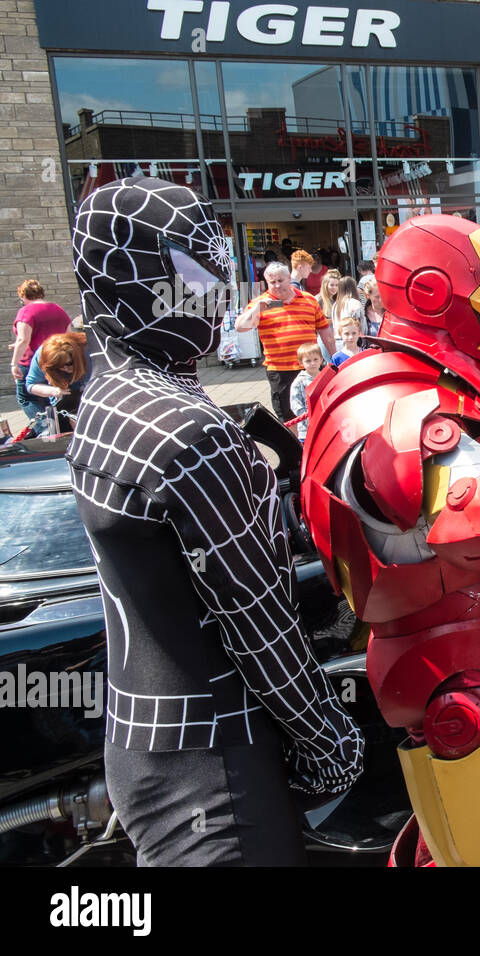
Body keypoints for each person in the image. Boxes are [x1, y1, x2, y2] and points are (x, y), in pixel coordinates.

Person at [66, 176, 362, 866]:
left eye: (216, 263)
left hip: (144, 741)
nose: (211, 287)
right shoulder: (187, 428)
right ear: (129, 271)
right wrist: (332, 746)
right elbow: (258, 621)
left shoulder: (107, 396)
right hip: (216, 764)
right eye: (190, 266)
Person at [235, 262, 337, 424]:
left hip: (310, 367)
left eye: (280, 280)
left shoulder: (308, 299)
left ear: (289, 278)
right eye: (272, 282)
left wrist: (335, 358)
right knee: (288, 414)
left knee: (318, 409)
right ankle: (296, 447)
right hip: (280, 370)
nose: (276, 285)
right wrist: (257, 310)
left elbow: (325, 332)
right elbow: (240, 327)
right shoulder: (261, 303)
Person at [10, 279, 71, 425]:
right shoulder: (58, 309)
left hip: (31, 362)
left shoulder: (26, 312)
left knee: (26, 398)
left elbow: (23, 340)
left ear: (24, 295)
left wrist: (14, 364)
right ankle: (59, 428)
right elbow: (68, 335)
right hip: (56, 361)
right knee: (50, 397)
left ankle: (44, 429)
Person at [26, 330, 91, 435]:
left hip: (89, 400)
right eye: (58, 366)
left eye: (69, 363)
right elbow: (31, 385)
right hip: (61, 407)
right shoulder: (41, 356)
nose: (65, 369)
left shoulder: (87, 350)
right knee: (56, 438)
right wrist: (53, 390)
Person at [289, 342, 325, 440]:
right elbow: (295, 404)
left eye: (315, 359)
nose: (312, 363)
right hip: (306, 429)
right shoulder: (299, 381)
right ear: (301, 362)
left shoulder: (326, 377)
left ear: (321, 360)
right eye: (308, 361)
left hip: (325, 425)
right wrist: (308, 420)